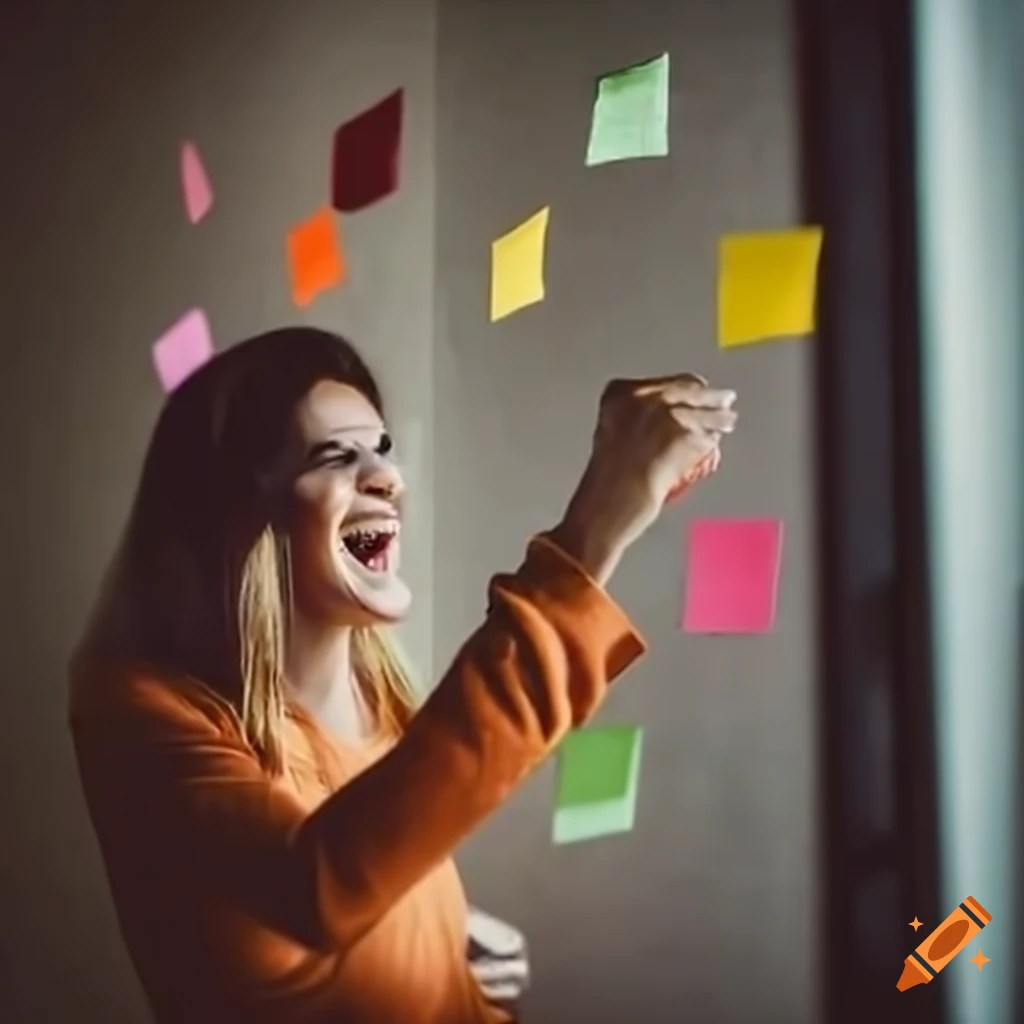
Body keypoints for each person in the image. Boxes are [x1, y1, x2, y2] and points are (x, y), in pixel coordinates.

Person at [68, 326, 737, 1024]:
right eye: (334, 456)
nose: (387, 477)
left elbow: (380, 893)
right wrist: (592, 532)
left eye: (381, 449)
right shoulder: (135, 711)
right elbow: (319, 886)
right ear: (233, 515)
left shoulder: (384, 708)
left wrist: (449, 948)